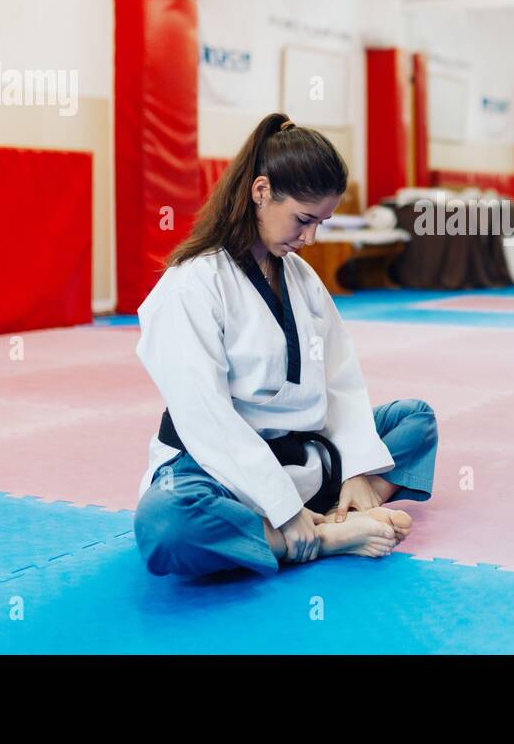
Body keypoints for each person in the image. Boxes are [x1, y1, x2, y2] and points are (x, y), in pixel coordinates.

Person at [132, 112, 439, 577]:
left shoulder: (302, 277)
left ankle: (339, 506)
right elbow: (204, 417)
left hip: (305, 453)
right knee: (165, 525)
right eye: (303, 219)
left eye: (321, 222)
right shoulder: (191, 284)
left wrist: (357, 468)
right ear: (260, 192)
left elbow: (340, 380)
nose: (310, 238)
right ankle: (318, 534)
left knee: (415, 419)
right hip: (221, 470)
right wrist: (281, 505)